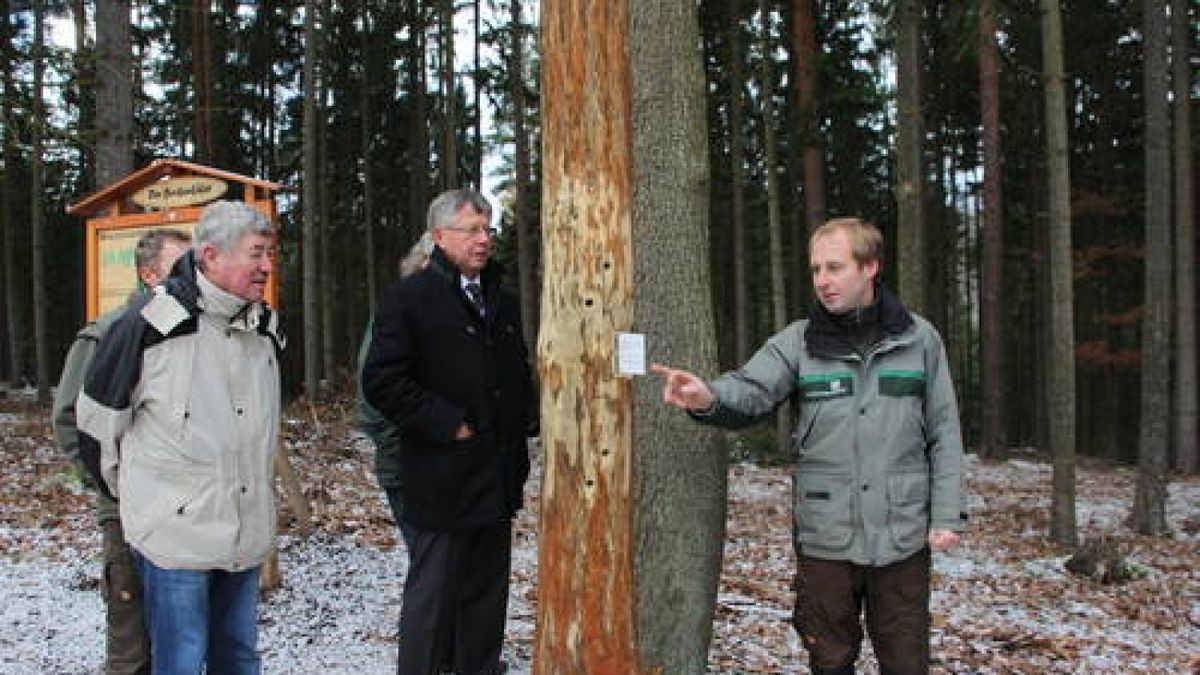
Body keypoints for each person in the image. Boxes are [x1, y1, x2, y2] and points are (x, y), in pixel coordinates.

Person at [652, 217, 967, 675]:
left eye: (835, 267)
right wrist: (707, 397)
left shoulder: (919, 340)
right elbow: (751, 388)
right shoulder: (799, 342)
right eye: (816, 269)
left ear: (870, 267)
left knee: (906, 659)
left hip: (901, 537)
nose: (822, 280)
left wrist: (945, 513)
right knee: (829, 657)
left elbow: (944, 431)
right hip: (826, 537)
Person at [76, 200, 284, 675]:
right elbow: (95, 429)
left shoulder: (264, 330)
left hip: (245, 532)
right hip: (174, 540)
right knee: (181, 663)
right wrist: (142, 504)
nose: (267, 267)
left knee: (239, 658)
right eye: (256, 254)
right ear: (210, 256)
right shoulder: (146, 328)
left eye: (270, 253)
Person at [362, 188, 536, 675]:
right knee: (434, 594)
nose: (483, 240)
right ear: (440, 236)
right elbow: (382, 380)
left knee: (486, 594)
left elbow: (513, 371)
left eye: (488, 229)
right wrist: (446, 424)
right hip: (441, 473)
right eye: (472, 230)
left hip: (497, 472)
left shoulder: (501, 298)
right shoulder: (408, 298)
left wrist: (525, 419)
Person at [52, 228, 191, 675]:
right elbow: (70, 418)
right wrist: (111, 489)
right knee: (132, 646)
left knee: (183, 642)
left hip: (185, 511)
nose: (192, 278)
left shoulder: (192, 334)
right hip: (127, 515)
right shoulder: (106, 334)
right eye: (179, 267)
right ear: (150, 275)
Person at [356, 231, 434, 532]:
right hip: (409, 469)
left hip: (457, 474)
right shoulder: (397, 312)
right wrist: (400, 449)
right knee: (431, 569)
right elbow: (373, 392)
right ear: (424, 263)